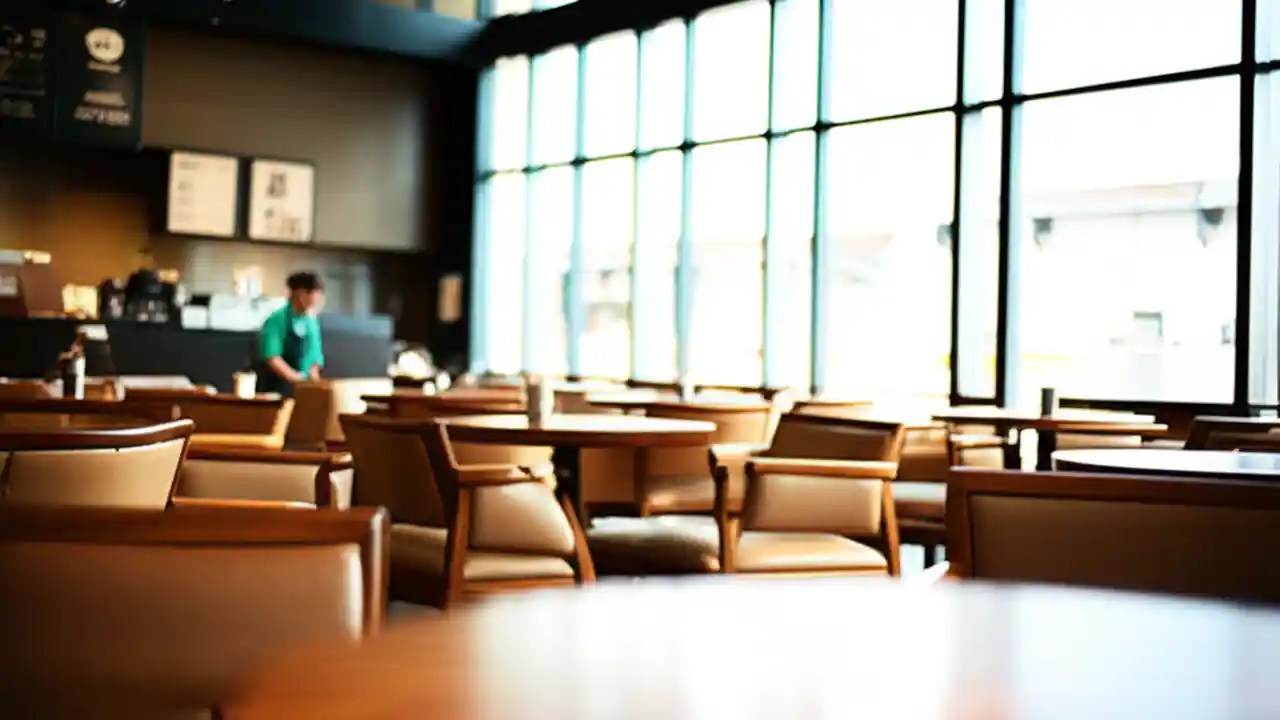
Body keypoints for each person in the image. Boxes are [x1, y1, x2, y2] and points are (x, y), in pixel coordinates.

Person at [259, 272, 325, 395]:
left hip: (304, 387)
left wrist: (314, 386)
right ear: (299, 293)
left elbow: (315, 358)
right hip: (278, 388)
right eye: (312, 293)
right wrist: (296, 379)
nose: (317, 299)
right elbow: (272, 358)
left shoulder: (311, 320)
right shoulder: (278, 319)